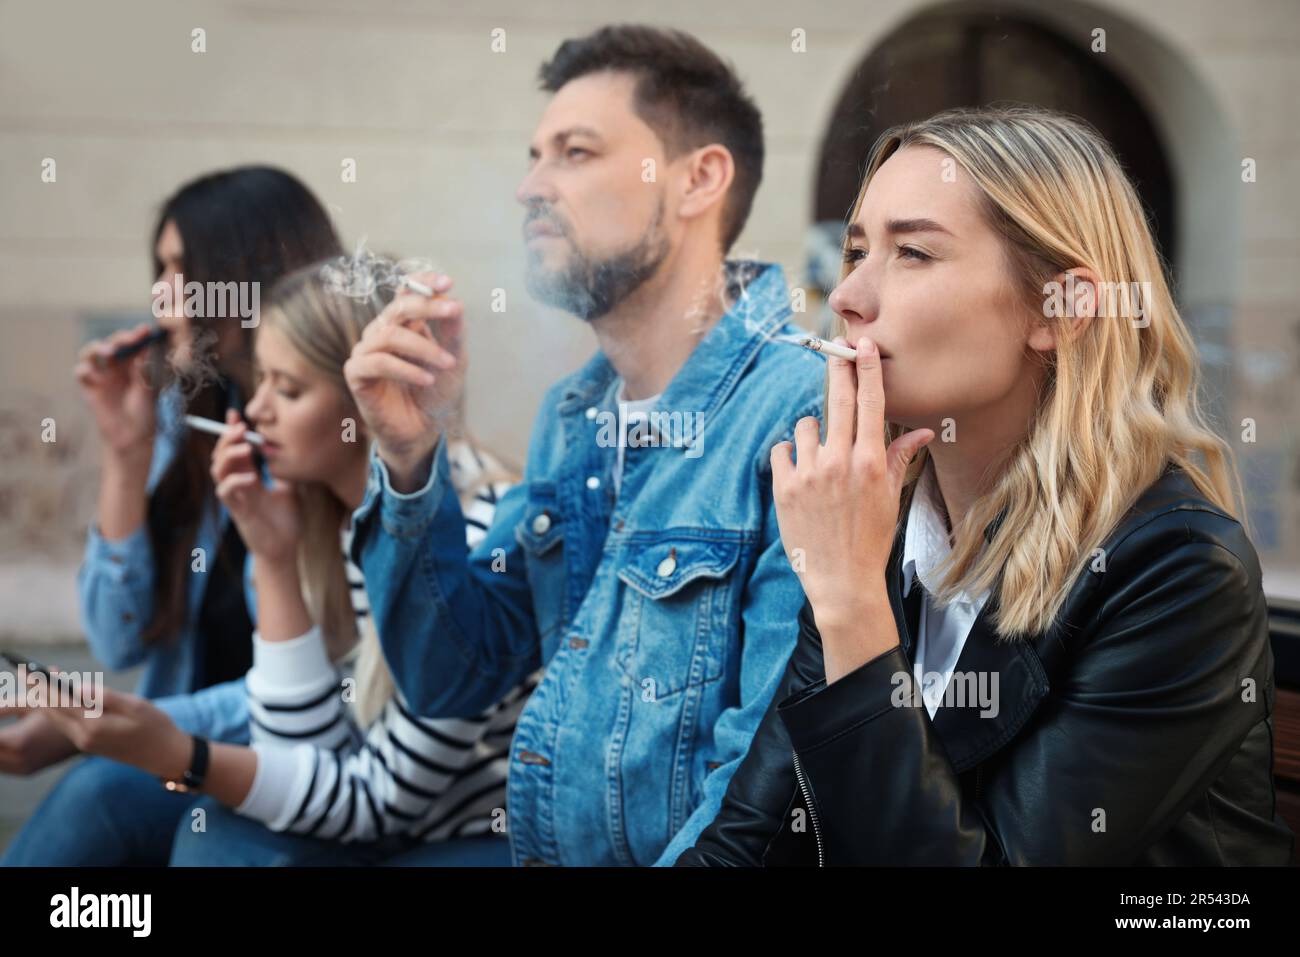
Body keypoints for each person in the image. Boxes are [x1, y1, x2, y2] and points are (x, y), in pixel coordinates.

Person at [675, 106, 1296, 866]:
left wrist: (852, 603)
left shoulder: (1179, 571)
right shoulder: (884, 524)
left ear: (1059, 309)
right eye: (856, 249)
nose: (846, 297)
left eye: (912, 253)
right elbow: (748, 838)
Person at [343, 25, 824, 866]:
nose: (531, 186)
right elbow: (456, 672)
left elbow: (769, 791)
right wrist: (412, 460)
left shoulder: (798, 409)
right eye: (534, 156)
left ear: (699, 178)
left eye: (575, 152)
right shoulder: (575, 416)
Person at [18, 262, 534, 866]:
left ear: (369, 402)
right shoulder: (325, 513)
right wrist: (273, 556)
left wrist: (183, 755)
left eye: (288, 391)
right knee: (113, 795)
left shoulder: (472, 531)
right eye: (260, 380)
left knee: (227, 844)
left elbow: (376, 803)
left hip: (474, 841)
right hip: (375, 816)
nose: (255, 410)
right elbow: (300, 748)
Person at [1, 167, 342, 866]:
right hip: (180, 750)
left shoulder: (322, 441)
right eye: (159, 268)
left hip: (287, 762)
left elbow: (325, 686)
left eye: (183, 269)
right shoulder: (183, 418)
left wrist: (110, 729)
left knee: (103, 792)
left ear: (251, 277)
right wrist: (125, 457)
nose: (161, 296)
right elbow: (118, 639)